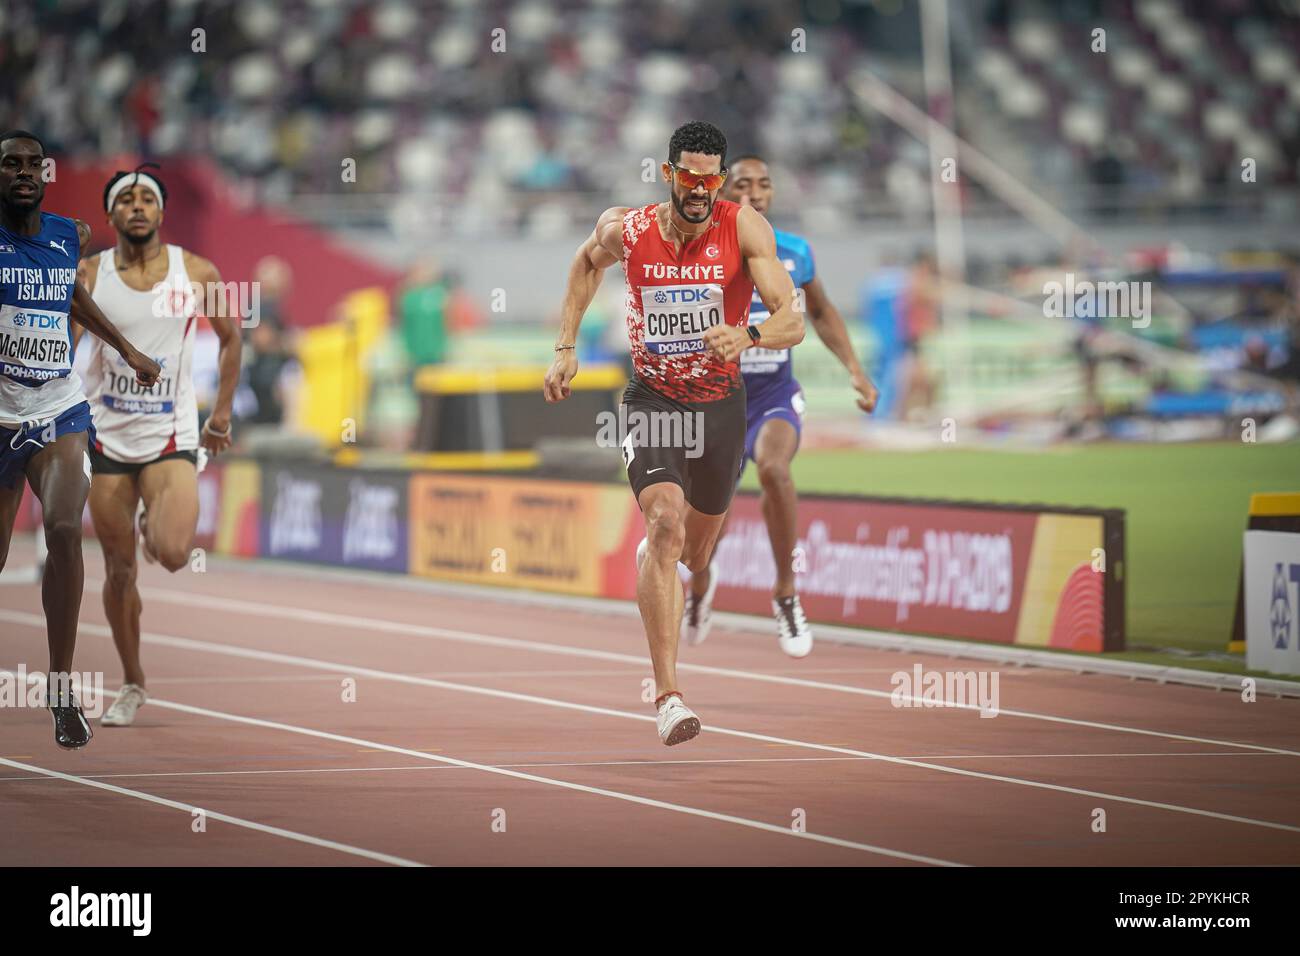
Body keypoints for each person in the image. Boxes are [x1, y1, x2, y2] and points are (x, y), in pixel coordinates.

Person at [543, 121, 804, 745]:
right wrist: (564, 346)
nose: (700, 189)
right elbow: (584, 263)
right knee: (664, 525)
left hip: (720, 407)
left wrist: (749, 335)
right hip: (653, 400)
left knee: (694, 554)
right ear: (669, 174)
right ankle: (668, 698)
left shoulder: (743, 228)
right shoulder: (626, 229)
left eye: (711, 178)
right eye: (689, 177)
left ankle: (688, 576)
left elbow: (791, 318)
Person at [682, 155, 879, 657]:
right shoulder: (699, 248)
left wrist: (855, 370)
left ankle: (787, 593)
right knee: (705, 530)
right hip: (715, 399)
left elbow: (821, 312)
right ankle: (700, 588)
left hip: (772, 393)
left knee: (774, 467)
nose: (754, 193)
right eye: (743, 184)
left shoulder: (793, 251)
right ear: (723, 191)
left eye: (764, 185)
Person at [0, 131, 159, 748]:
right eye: (8, 165)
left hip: (56, 409)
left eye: (29, 165)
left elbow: (71, 296)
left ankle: (61, 689)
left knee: (64, 530)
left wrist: (128, 349)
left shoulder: (71, 235)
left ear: (45, 173)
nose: (21, 174)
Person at [76, 165, 241, 727]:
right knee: (119, 571)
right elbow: (63, 350)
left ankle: (155, 524)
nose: (138, 207)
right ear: (110, 215)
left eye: (149, 198)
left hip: (171, 434)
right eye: (128, 200)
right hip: (107, 440)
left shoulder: (194, 271)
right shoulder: (89, 275)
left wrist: (220, 413)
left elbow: (231, 336)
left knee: (172, 554)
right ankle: (132, 681)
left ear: (162, 212)